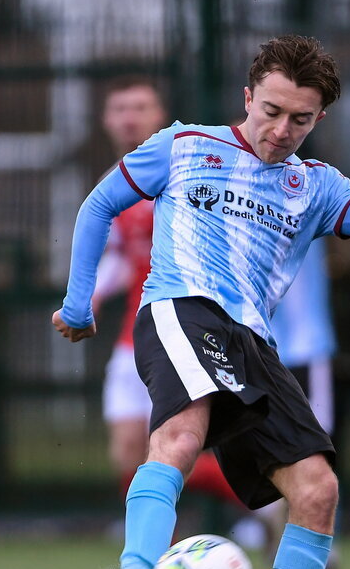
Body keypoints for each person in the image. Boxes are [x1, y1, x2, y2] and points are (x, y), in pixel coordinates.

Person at [53, 34, 350, 569]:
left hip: (254, 344)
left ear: (318, 119)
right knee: (179, 435)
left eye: (299, 119)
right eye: (270, 111)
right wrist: (77, 299)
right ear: (247, 97)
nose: (280, 129)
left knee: (318, 489)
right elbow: (98, 205)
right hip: (182, 307)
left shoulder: (315, 186)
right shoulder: (183, 145)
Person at [92, 77, 242, 509]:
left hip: (184, 332)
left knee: (175, 447)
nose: (129, 118)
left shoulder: (185, 170)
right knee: (128, 453)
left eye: (139, 107)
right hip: (131, 336)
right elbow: (123, 255)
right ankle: (164, 564)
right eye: (119, 108)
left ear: (160, 116)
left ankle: (264, 505)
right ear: (106, 120)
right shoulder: (113, 182)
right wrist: (91, 292)